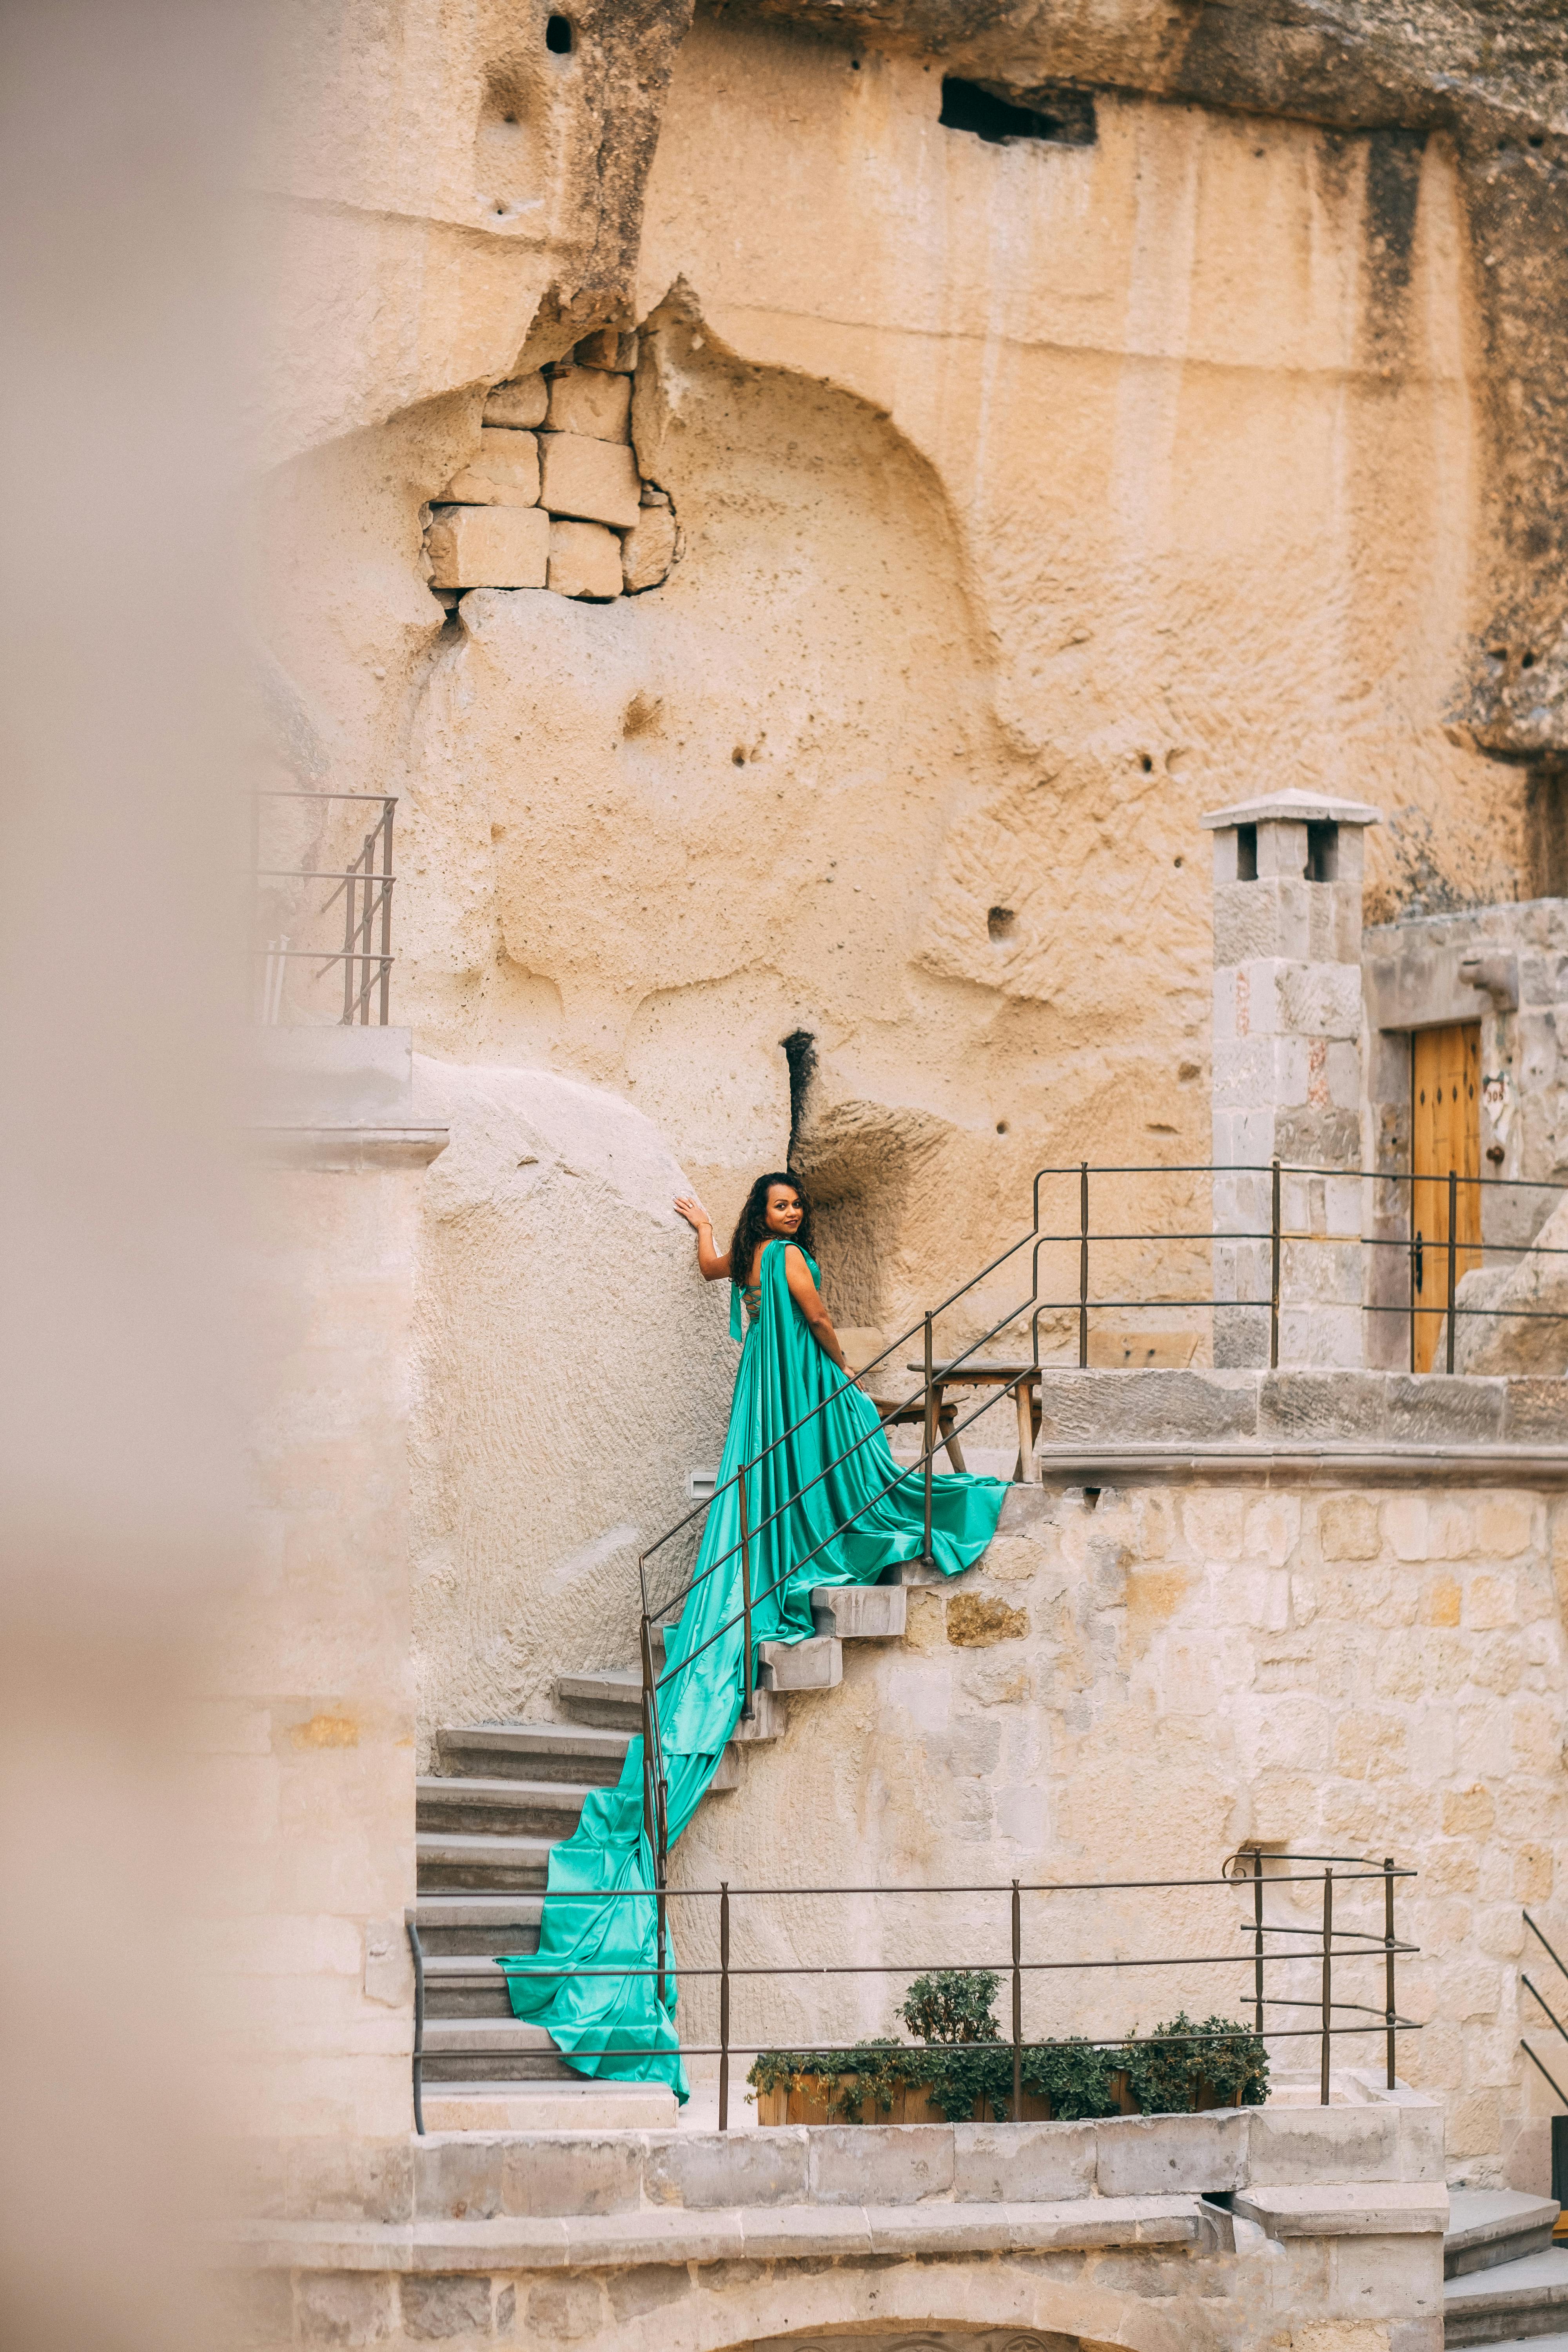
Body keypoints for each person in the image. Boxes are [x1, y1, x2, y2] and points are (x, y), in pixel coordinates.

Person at [499, 1169, 1007, 2098]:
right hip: (803, 1386)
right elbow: (814, 1321)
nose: (792, 1214)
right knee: (858, 1460)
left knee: (780, 1493)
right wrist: (846, 1365)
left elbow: (707, 1270)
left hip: (758, 1401)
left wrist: (700, 1220)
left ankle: (801, 1550)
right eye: (780, 1205)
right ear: (766, 1215)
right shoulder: (792, 1261)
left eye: (794, 1205)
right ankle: (849, 1533)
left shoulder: (741, 1257)